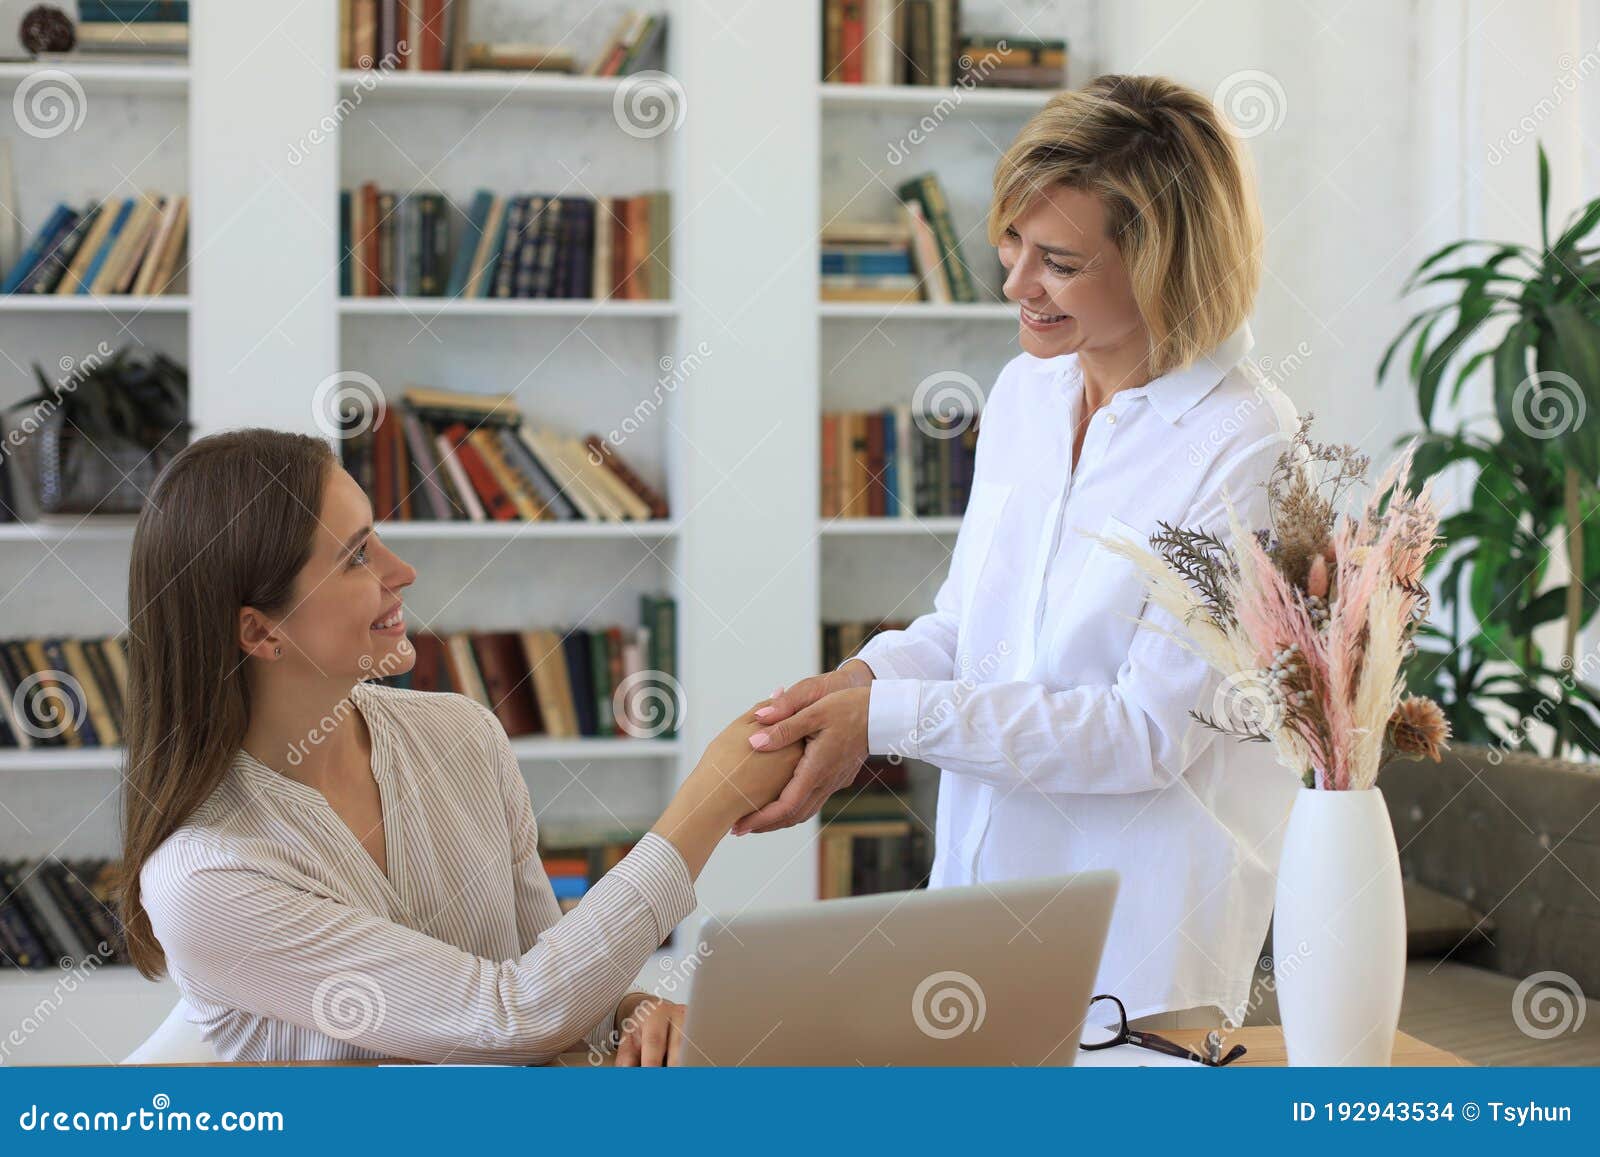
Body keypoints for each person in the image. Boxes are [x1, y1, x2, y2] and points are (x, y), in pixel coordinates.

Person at [741, 74, 1303, 1033]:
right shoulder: (1026, 392)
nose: (1013, 284)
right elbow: (968, 626)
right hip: (975, 894)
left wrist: (888, 719)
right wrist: (852, 686)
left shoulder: (1244, 442)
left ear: (1164, 261)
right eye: (1011, 241)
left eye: (1059, 260)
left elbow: (1146, 734)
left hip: (1140, 943)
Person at [117, 428, 800, 1065]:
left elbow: (553, 989)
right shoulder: (206, 877)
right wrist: (712, 800)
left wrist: (629, 1015)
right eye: (357, 556)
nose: (401, 570)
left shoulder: (461, 736)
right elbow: (513, 1015)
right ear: (263, 633)